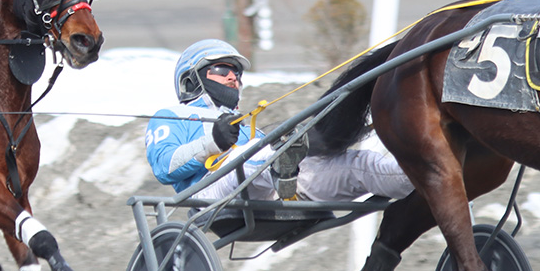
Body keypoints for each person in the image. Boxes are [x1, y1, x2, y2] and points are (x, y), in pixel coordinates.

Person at [144, 39, 413, 206]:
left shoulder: (247, 126)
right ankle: (280, 165)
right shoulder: (169, 115)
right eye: (222, 69)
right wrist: (213, 143)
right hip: (208, 192)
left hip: (264, 183)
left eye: (237, 72)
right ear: (191, 79)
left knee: (357, 163)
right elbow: (164, 167)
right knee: (254, 153)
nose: (233, 77)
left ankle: (420, 177)